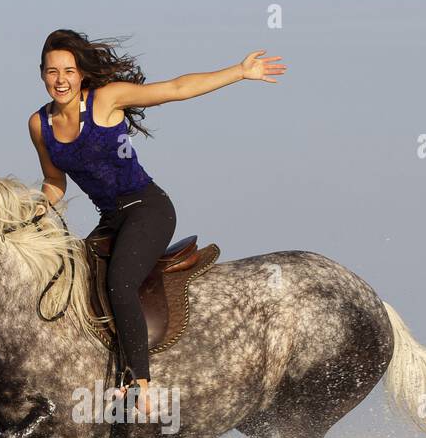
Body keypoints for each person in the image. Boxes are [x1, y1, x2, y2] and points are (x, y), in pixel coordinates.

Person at [28, 29, 286, 416]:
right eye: (52, 71)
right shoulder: (39, 124)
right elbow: (54, 182)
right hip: (110, 220)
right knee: (75, 281)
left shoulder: (107, 99)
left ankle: (139, 384)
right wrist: (35, 206)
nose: (61, 79)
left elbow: (178, 88)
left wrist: (239, 71)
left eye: (69, 70)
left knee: (120, 282)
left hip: (148, 209)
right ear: (42, 75)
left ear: (81, 74)